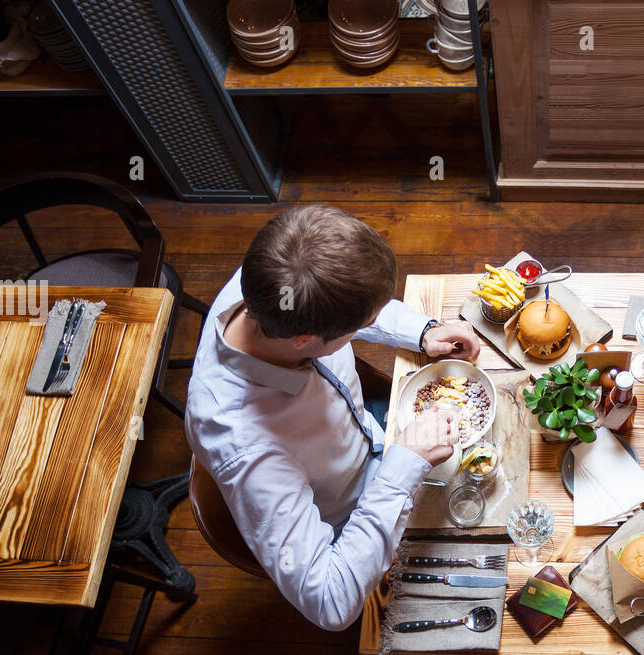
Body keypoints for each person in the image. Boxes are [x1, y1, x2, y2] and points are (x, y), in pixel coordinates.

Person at [185, 205, 482, 630]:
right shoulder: (246, 447)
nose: (368, 325)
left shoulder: (273, 275)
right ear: (304, 340)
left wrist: (420, 330)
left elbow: (344, 307)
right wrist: (402, 468)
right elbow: (330, 603)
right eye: (362, 324)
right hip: (352, 518)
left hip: (370, 435)